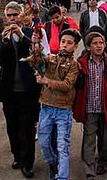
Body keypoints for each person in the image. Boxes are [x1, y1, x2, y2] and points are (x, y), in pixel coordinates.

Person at [0, 2, 41, 178]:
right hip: (8, 90)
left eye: (15, 15)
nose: (13, 18)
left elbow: (36, 54)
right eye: (10, 15)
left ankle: (27, 163)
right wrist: (6, 42)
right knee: (12, 126)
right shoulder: (1, 37)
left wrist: (21, 36)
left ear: (21, 16)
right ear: (6, 17)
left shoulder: (30, 33)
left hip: (27, 89)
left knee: (27, 127)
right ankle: (17, 156)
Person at [74, 31, 107, 179]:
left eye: (101, 43)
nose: (99, 46)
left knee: (105, 139)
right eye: (95, 43)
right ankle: (89, 170)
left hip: (106, 108)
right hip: (89, 108)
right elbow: (77, 87)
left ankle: (102, 162)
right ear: (88, 47)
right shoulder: (81, 65)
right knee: (89, 139)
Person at [36, 29, 82, 180]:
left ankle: (62, 177)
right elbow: (37, 58)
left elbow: (67, 85)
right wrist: (36, 42)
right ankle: (53, 163)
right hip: (46, 107)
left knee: (63, 146)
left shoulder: (75, 66)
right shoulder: (51, 58)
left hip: (63, 110)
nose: (65, 45)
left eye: (69, 43)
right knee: (43, 143)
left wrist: (46, 81)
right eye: (63, 42)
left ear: (75, 47)